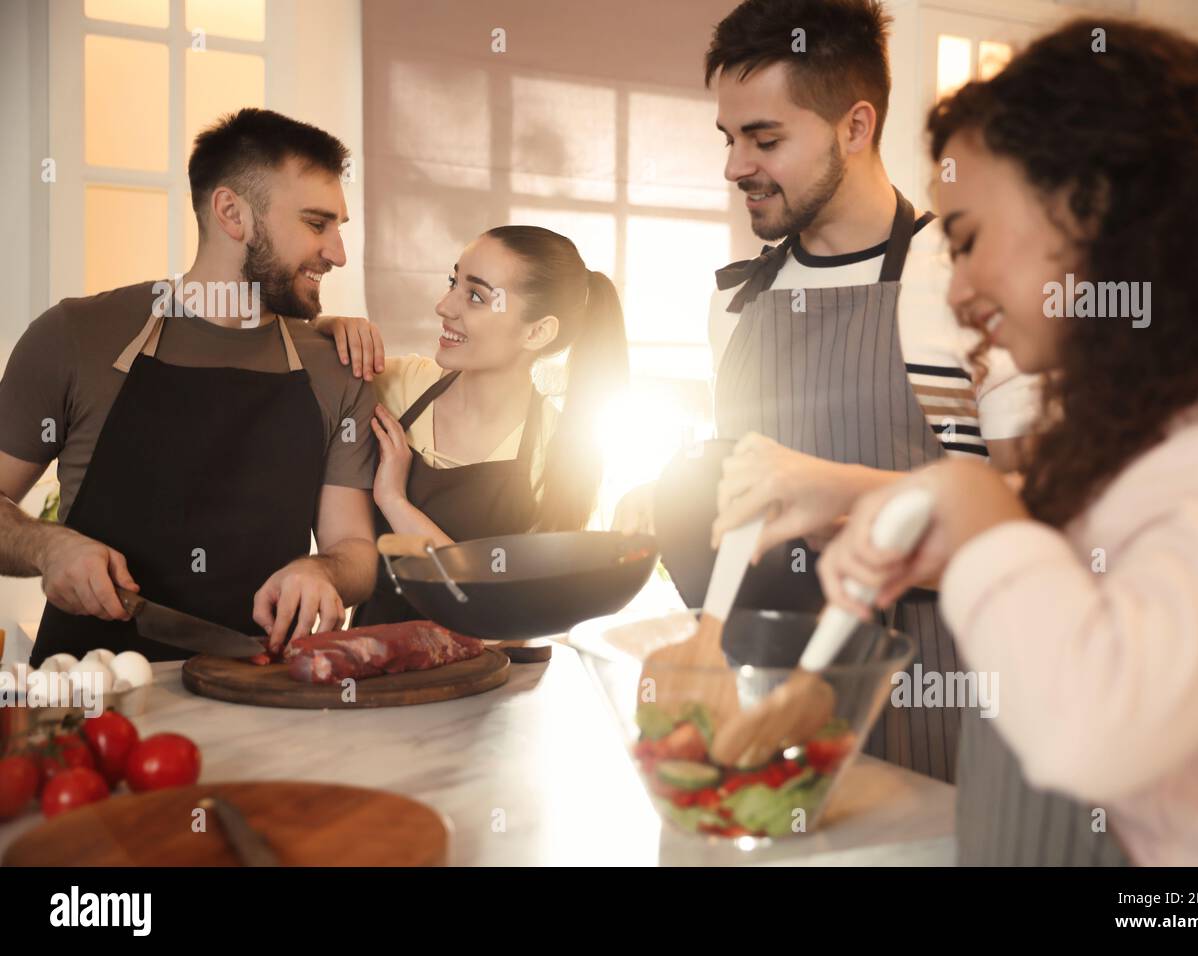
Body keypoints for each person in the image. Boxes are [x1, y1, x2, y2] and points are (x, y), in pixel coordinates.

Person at [814, 18, 1198, 864]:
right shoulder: (1155, 422)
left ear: (1091, 202)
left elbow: (1091, 727)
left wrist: (975, 504)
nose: (958, 290)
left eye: (966, 242)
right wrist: (950, 535)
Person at [687, 0, 1041, 786]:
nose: (735, 166)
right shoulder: (735, 305)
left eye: (765, 138)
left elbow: (1052, 523)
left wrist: (846, 504)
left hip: (952, 701)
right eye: (729, 137)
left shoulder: (959, 281)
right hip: (776, 694)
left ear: (855, 127)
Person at [0, 108, 379, 664]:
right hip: (91, 701)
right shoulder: (76, 336)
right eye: (316, 224)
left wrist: (324, 571)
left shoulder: (336, 366)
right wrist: (45, 544)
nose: (338, 253)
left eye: (338, 228)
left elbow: (354, 549)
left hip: (263, 692)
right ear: (232, 212)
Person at [313, 226, 629, 627]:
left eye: (476, 296)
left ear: (537, 332)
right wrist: (330, 325)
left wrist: (395, 502)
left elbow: (507, 613)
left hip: (492, 681)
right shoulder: (397, 385)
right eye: (453, 282)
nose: (444, 306)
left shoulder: (560, 451)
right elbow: (295, 354)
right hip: (373, 666)